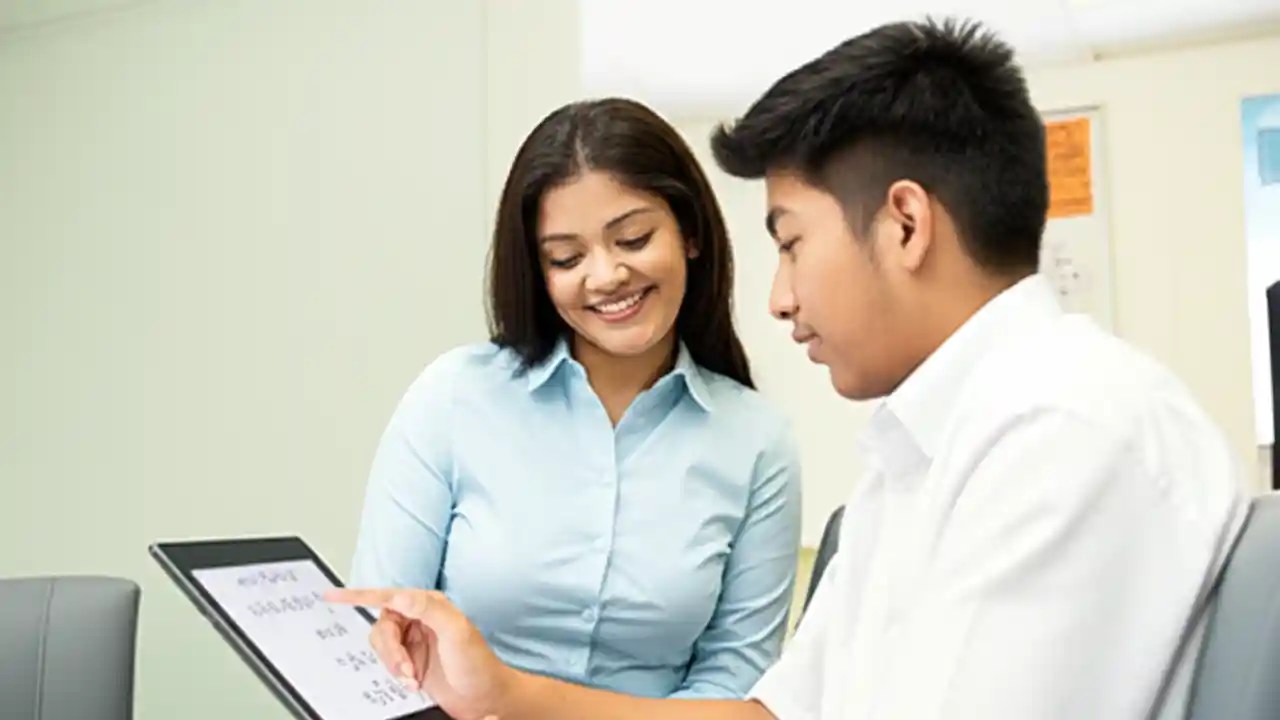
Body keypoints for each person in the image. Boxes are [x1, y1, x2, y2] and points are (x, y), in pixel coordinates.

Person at [331, 18, 1249, 720]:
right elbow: (771, 715)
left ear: (903, 223)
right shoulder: (918, 460)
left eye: (792, 241)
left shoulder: (1065, 430)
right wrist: (500, 693)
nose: (778, 298)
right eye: (565, 254)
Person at [346, 97, 802, 702]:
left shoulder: (756, 442)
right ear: (537, 271)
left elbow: (735, 685)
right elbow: (378, 637)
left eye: (633, 239)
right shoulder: (453, 399)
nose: (606, 275)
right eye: (566, 257)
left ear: (690, 233)